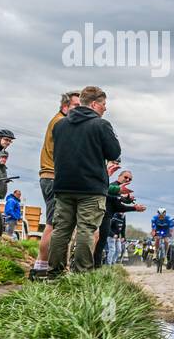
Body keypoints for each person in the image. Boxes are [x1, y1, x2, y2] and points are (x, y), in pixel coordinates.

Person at [47, 86, 122, 276]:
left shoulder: (60, 125)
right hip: (91, 188)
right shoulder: (101, 125)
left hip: (63, 186)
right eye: (104, 104)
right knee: (86, 230)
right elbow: (114, 152)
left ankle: (54, 273)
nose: (105, 108)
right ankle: (81, 274)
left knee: (61, 230)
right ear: (95, 104)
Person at [31, 91, 81, 277]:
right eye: (76, 106)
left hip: (49, 175)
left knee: (54, 223)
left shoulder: (58, 120)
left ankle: (41, 267)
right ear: (65, 107)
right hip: (53, 176)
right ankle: (42, 268)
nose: (79, 110)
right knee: (54, 225)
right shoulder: (61, 123)